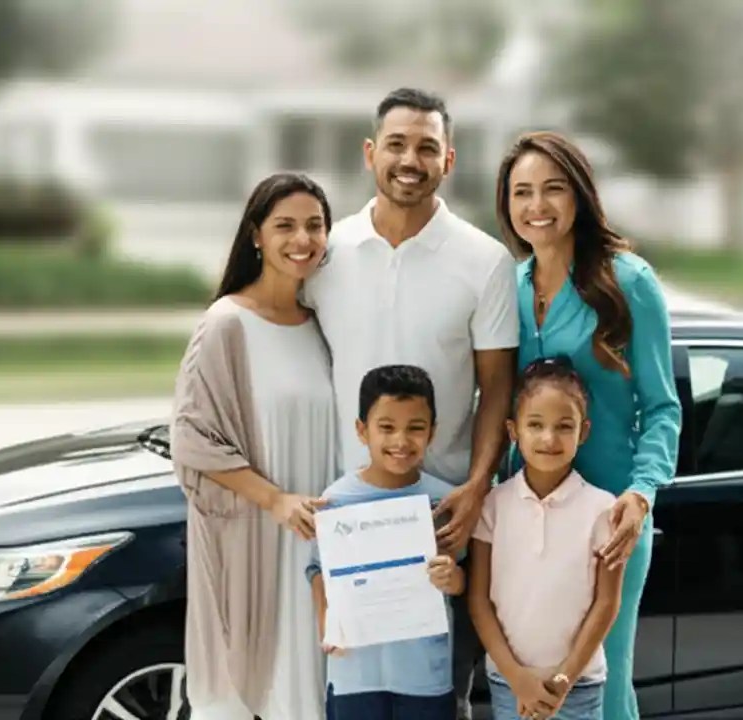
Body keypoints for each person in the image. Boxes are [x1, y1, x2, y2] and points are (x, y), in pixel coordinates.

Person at [302, 87, 518, 718]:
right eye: (397, 144)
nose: (410, 159)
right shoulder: (326, 253)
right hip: (346, 520)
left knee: (436, 696)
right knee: (354, 695)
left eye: (428, 147)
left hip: (439, 521)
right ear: (371, 153)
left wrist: (476, 485)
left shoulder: (486, 262)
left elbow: (497, 386)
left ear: (448, 161)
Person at [496, 131, 682, 719]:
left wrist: (642, 492)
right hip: (526, 518)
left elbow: (661, 406)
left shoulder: (629, 283)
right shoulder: (508, 289)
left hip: (610, 521)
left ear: (579, 195)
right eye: (522, 192)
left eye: (553, 189)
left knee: (603, 681)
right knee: (530, 684)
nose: (537, 206)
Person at [170, 172, 338, 720]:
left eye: (315, 226)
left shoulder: (322, 325)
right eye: (285, 225)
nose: (302, 239)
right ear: (256, 236)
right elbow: (193, 438)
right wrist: (275, 500)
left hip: (319, 548)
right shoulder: (226, 325)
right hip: (258, 543)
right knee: (250, 691)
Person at [470, 358, 625, 720]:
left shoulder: (603, 509)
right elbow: (478, 599)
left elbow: (606, 603)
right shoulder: (493, 505)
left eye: (563, 426)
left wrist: (563, 679)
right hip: (509, 684)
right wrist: (516, 677)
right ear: (513, 430)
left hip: (578, 687)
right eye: (535, 425)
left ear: (583, 432)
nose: (549, 438)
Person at [306, 364, 464, 720]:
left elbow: (464, 576)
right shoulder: (336, 500)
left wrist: (452, 579)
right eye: (386, 428)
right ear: (362, 431)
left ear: (432, 433)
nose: (400, 441)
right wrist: (327, 621)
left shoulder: (445, 501)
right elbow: (317, 569)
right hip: (354, 675)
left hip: (424, 675)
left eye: (415, 428)